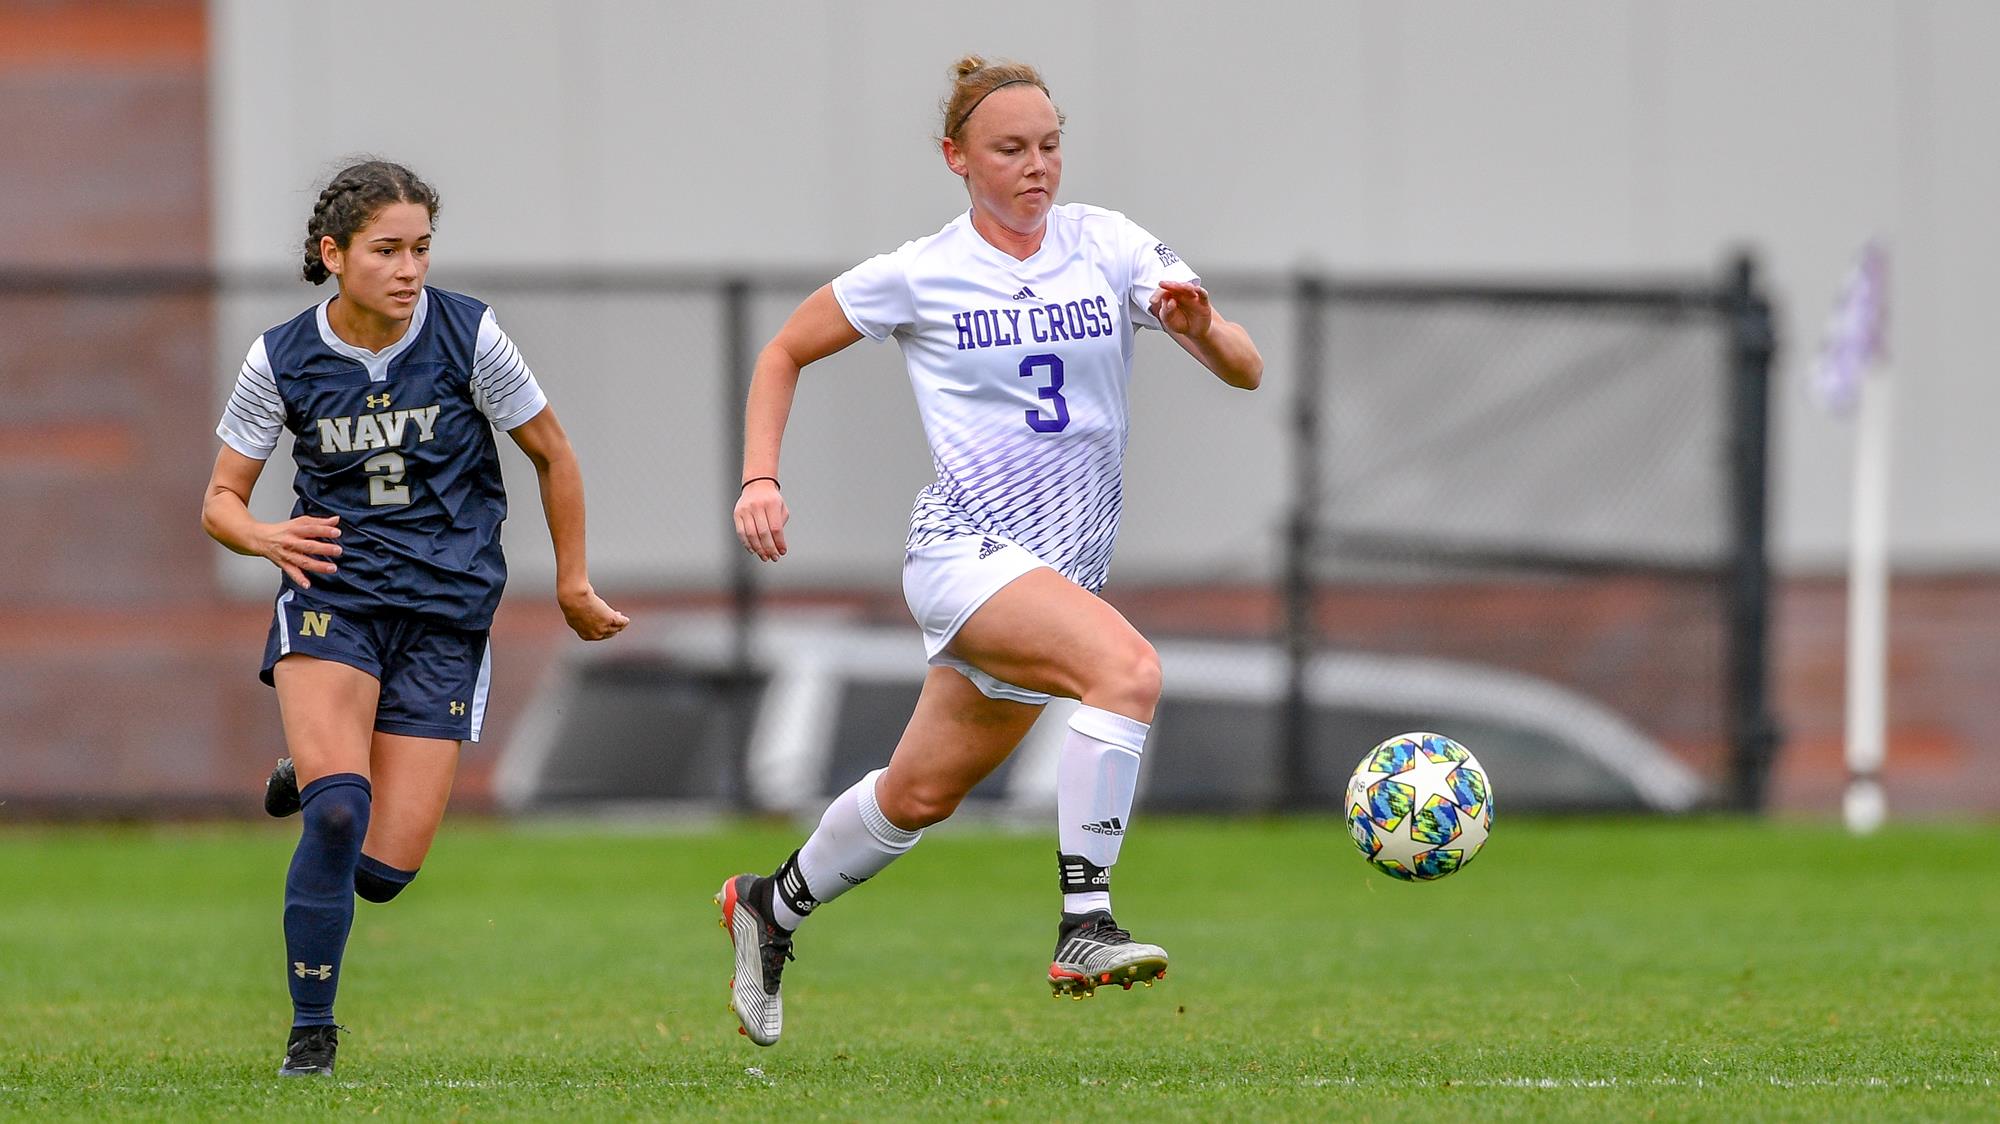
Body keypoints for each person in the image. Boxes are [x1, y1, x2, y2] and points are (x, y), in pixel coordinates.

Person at [717, 56, 1262, 1046]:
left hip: (1056, 577)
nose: (1035, 166)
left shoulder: (1109, 244)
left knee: (916, 794)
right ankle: (1084, 920)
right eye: (1010, 148)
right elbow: (782, 349)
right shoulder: (919, 272)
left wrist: (1199, 330)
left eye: (1048, 145)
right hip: (965, 555)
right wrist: (760, 476)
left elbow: (1244, 367)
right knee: (1126, 669)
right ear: (955, 157)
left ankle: (768, 905)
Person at [200, 159, 628, 1077]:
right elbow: (220, 503)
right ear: (335, 254)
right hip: (334, 597)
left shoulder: (470, 336)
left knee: (385, 874)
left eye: (421, 249)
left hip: (444, 611)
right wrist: (267, 538)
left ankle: (309, 778)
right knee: (340, 817)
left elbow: (553, 455)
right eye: (386, 250)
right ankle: (311, 1031)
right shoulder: (280, 356)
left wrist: (573, 582)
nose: (408, 269)